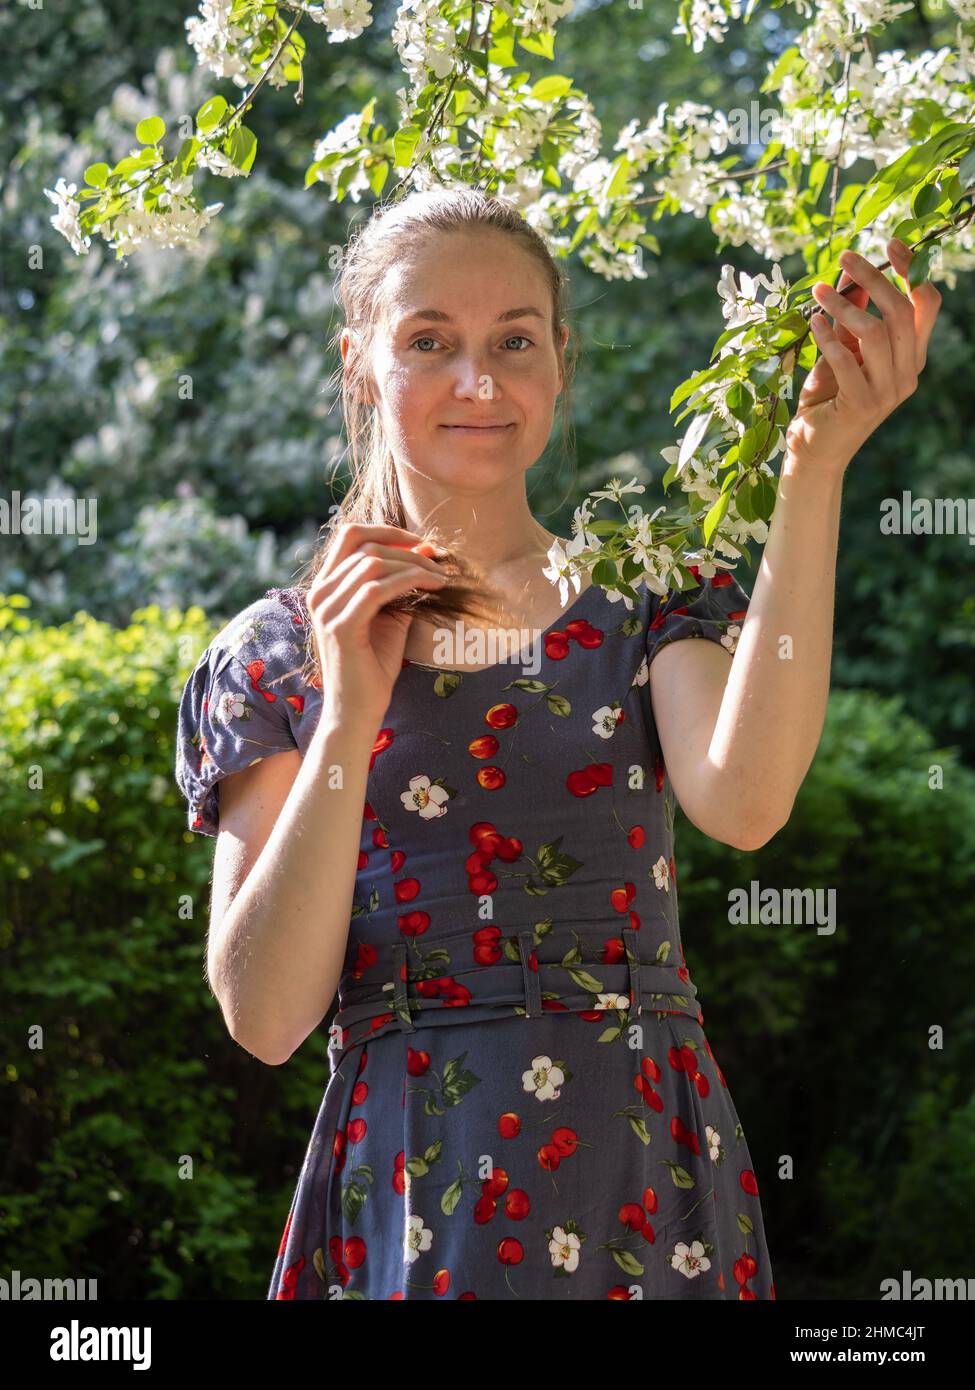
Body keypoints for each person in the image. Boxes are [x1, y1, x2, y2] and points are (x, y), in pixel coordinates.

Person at [174, 186, 774, 1301]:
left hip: (644, 1169)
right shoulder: (278, 653)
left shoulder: (655, 598)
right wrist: (353, 708)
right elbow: (262, 1018)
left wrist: (818, 471)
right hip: (416, 1182)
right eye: (429, 341)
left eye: (514, 340)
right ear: (361, 364)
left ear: (561, 360)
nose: (479, 381)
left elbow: (744, 803)